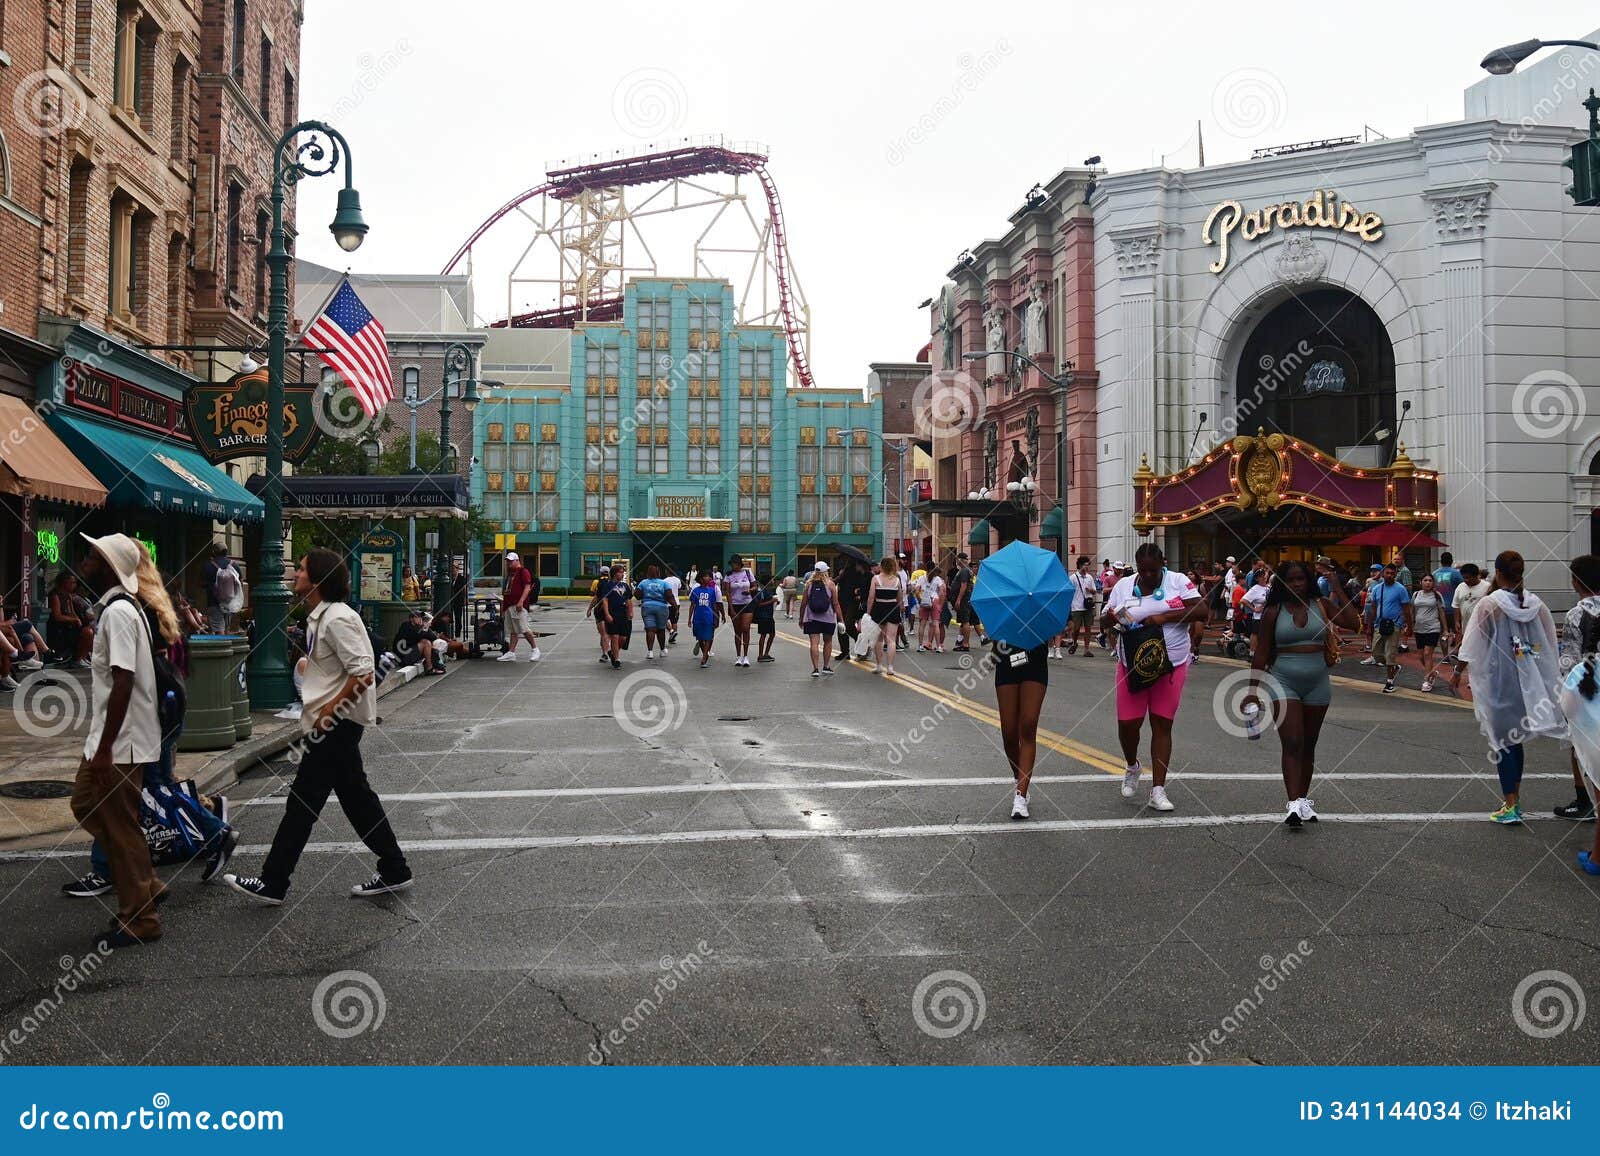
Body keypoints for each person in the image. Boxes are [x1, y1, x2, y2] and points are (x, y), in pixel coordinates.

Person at [226, 548, 412, 903]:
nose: (295, 573)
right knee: (355, 800)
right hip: (334, 725)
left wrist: (329, 711)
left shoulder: (337, 619)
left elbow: (363, 673)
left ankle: (274, 882)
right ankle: (395, 867)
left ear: (318, 580)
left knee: (303, 805)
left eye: (301, 569)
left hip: (335, 726)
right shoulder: (323, 617)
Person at [68, 535, 166, 947]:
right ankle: (145, 881)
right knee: (84, 803)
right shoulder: (119, 608)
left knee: (120, 827)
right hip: (111, 738)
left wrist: (107, 747)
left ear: (109, 566)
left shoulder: (120, 613)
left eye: (93, 557)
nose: (85, 562)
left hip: (121, 742)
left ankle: (140, 919)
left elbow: (124, 679)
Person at [1244, 560, 1362, 826]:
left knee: (1309, 743)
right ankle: (1293, 804)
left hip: (1317, 683)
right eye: (1291, 580)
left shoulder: (1322, 605)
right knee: (1292, 741)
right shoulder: (1273, 611)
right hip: (1283, 681)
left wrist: (1336, 586)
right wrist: (1252, 691)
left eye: (1301, 579)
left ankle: (1303, 799)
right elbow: (1261, 653)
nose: (1297, 584)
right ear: (1283, 583)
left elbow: (1353, 623)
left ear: (1308, 581)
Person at [1458, 550, 1566, 824]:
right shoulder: (1536, 604)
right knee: (1515, 740)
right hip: (1528, 682)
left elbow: (1473, 645)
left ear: (1497, 572)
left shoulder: (1489, 604)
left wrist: (1457, 673)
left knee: (1504, 743)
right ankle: (1512, 800)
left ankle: (1511, 804)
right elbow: (1548, 644)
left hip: (1499, 682)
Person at [1101, 542, 1205, 812]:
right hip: (1132, 665)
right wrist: (1113, 618)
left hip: (1171, 665)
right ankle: (1132, 765)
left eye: (1153, 570)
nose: (1148, 575)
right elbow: (1105, 620)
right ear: (1137, 566)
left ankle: (1158, 789)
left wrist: (1163, 618)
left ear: (1163, 564)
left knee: (1162, 724)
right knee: (1128, 725)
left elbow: (1202, 611)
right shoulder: (1124, 586)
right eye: (1143, 570)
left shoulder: (1178, 582)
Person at [1556, 555, 1600, 822]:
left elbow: (1570, 661)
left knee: (1581, 743)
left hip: (1587, 686)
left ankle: (1584, 799)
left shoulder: (1577, 613)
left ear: (1576, 581)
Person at [994, 633, 1050, 821]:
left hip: (1035, 658)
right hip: (1006, 656)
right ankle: (1019, 777)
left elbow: (1060, 625)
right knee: (1009, 733)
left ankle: (1021, 796)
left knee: (1028, 725)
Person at [1362, 564, 1413, 693]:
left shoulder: (1400, 589)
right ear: (1383, 574)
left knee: (1390, 653)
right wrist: (1369, 626)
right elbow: (1373, 608)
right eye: (1387, 573)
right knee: (1376, 653)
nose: (1390, 575)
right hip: (1379, 624)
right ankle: (1393, 666)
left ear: (1395, 574)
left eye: (1392, 573)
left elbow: (1406, 609)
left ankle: (1389, 681)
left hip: (1394, 624)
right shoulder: (1377, 589)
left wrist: (1409, 626)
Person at [1450, 563, 1489, 693]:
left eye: (1468, 578)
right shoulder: (1460, 587)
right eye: (1464, 577)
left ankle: (1478, 679)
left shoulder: (1487, 587)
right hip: (1466, 626)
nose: (1466, 580)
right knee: (1468, 653)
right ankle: (1471, 679)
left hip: (1483, 627)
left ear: (1477, 576)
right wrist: (1457, 621)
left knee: (1480, 654)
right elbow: (1456, 605)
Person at [496, 551, 541, 663]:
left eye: (511, 561)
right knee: (513, 630)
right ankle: (511, 652)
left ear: (517, 561)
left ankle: (535, 649)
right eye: (508, 561)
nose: (509, 563)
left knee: (524, 628)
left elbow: (527, 587)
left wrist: (521, 601)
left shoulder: (523, 572)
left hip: (518, 605)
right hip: (509, 604)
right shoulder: (510, 574)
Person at [799, 562, 841, 676]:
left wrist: (801, 618)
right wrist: (840, 619)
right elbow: (836, 603)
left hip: (812, 618)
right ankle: (826, 667)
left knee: (814, 643)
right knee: (828, 641)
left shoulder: (809, 584)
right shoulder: (830, 584)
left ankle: (815, 669)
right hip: (828, 618)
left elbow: (803, 603)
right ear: (825, 571)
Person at [867, 555, 906, 676]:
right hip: (892, 608)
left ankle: (879, 665)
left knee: (878, 639)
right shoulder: (896, 580)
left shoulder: (875, 579)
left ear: (882, 566)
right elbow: (900, 598)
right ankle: (890, 667)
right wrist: (901, 608)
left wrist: (868, 612)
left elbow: (871, 597)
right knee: (891, 640)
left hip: (879, 608)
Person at [48, 570, 94, 667]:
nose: (74, 585)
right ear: (65, 583)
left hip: (70, 626)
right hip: (60, 629)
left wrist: (77, 620)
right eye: (72, 583)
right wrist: (74, 620)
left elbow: (72, 612)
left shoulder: (68, 596)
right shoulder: (55, 596)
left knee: (92, 629)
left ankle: (84, 656)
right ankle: (78, 659)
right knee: (87, 633)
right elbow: (57, 616)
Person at [1411, 573, 1446, 692]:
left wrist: (1445, 629)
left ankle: (1427, 681)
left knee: (1427, 653)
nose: (1428, 583)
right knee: (1421, 656)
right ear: (1421, 582)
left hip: (1433, 628)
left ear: (1433, 583)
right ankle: (1432, 673)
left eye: (1430, 580)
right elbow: (1412, 610)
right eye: (1425, 580)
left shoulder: (1437, 595)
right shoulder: (1416, 594)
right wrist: (1409, 625)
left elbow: (1441, 612)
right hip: (1419, 628)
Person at [599, 561, 635, 669]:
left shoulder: (625, 586)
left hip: (623, 614)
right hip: (613, 614)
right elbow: (605, 600)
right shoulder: (608, 585)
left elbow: (629, 600)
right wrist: (607, 614)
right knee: (614, 636)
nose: (622, 574)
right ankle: (617, 659)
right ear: (615, 573)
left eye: (623, 572)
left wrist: (630, 611)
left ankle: (613, 653)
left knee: (623, 638)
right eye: (620, 572)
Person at [724, 554, 757, 667]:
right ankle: (738, 656)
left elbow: (755, 586)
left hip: (747, 603)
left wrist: (750, 590)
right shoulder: (728, 575)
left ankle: (746, 656)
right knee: (737, 631)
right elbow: (727, 592)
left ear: (740, 564)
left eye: (736, 564)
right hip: (735, 604)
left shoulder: (747, 572)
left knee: (745, 629)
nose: (734, 566)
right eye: (732, 564)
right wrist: (731, 608)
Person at [637, 564, 675, 660]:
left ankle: (650, 652)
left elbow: (637, 595)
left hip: (647, 607)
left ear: (648, 573)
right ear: (658, 573)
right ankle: (662, 650)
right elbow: (670, 596)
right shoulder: (664, 583)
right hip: (661, 607)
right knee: (661, 629)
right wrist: (675, 607)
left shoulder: (643, 582)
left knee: (650, 629)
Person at [203, 543, 244, 634]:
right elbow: (240, 584)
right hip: (230, 602)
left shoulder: (208, 565)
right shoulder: (234, 565)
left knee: (219, 631)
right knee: (226, 629)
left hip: (213, 602)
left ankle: (221, 643)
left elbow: (201, 584)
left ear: (214, 552)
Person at [1065, 555, 1100, 658]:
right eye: (1085, 565)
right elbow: (1068, 591)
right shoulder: (1073, 578)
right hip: (1076, 606)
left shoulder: (1089, 577)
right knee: (1076, 628)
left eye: (1088, 565)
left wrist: (1090, 590)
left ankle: (1086, 649)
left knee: (1088, 628)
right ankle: (1074, 642)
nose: (1087, 567)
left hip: (1088, 606)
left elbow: (1095, 591)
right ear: (1080, 565)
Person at [393, 607, 444, 675]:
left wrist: (426, 627)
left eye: (421, 617)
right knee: (426, 643)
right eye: (417, 617)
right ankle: (429, 668)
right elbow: (420, 635)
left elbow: (434, 638)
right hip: (403, 657)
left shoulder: (419, 627)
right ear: (411, 619)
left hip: (411, 654)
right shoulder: (406, 625)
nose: (420, 619)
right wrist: (424, 628)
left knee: (431, 645)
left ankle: (437, 665)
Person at [688, 570, 722, 669]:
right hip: (698, 617)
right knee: (700, 638)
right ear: (701, 578)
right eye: (707, 576)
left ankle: (704, 658)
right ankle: (705, 654)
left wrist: (717, 616)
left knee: (708, 637)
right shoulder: (695, 591)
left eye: (709, 576)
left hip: (708, 618)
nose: (709, 578)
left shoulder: (712, 591)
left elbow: (714, 605)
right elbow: (692, 605)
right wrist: (689, 619)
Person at [948, 553, 975, 652]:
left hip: (964, 600)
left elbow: (964, 586)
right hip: (965, 599)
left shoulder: (964, 571)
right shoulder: (966, 570)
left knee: (965, 621)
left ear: (961, 560)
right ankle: (962, 641)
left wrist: (958, 599)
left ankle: (965, 644)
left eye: (957, 559)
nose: (956, 561)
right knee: (963, 621)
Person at [585, 565, 612, 663]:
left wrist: (589, 609)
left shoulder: (596, 582)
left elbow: (594, 595)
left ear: (600, 572)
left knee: (603, 633)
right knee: (608, 633)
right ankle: (607, 650)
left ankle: (605, 653)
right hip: (611, 609)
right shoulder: (612, 582)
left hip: (599, 609)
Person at [752, 571, 779, 662]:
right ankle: (761, 655)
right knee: (764, 635)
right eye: (771, 580)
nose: (773, 581)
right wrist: (771, 601)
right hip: (764, 615)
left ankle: (766, 653)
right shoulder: (762, 591)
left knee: (771, 634)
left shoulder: (767, 590)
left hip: (768, 615)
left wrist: (774, 601)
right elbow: (759, 604)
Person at [663, 567, 684, 645]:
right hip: (677, 602)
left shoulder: (664, 581)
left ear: (667, 571)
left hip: (668, 603)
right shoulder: (677, 580)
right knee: (674, 621)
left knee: (663, 619)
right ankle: (672, 637)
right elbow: (679, 589)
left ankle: (671, 631)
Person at [449, 560, 469, 629]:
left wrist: (465, 599)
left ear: (457, 569)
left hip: (458, 600)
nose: (452, 570)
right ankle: (450, 631)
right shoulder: (449, 578)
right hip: (450, 601)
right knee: (449, 618)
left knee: (458, 618)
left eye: (453, 568)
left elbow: (464, 589)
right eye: (451, 569)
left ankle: (457, 632)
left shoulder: (462, 578)